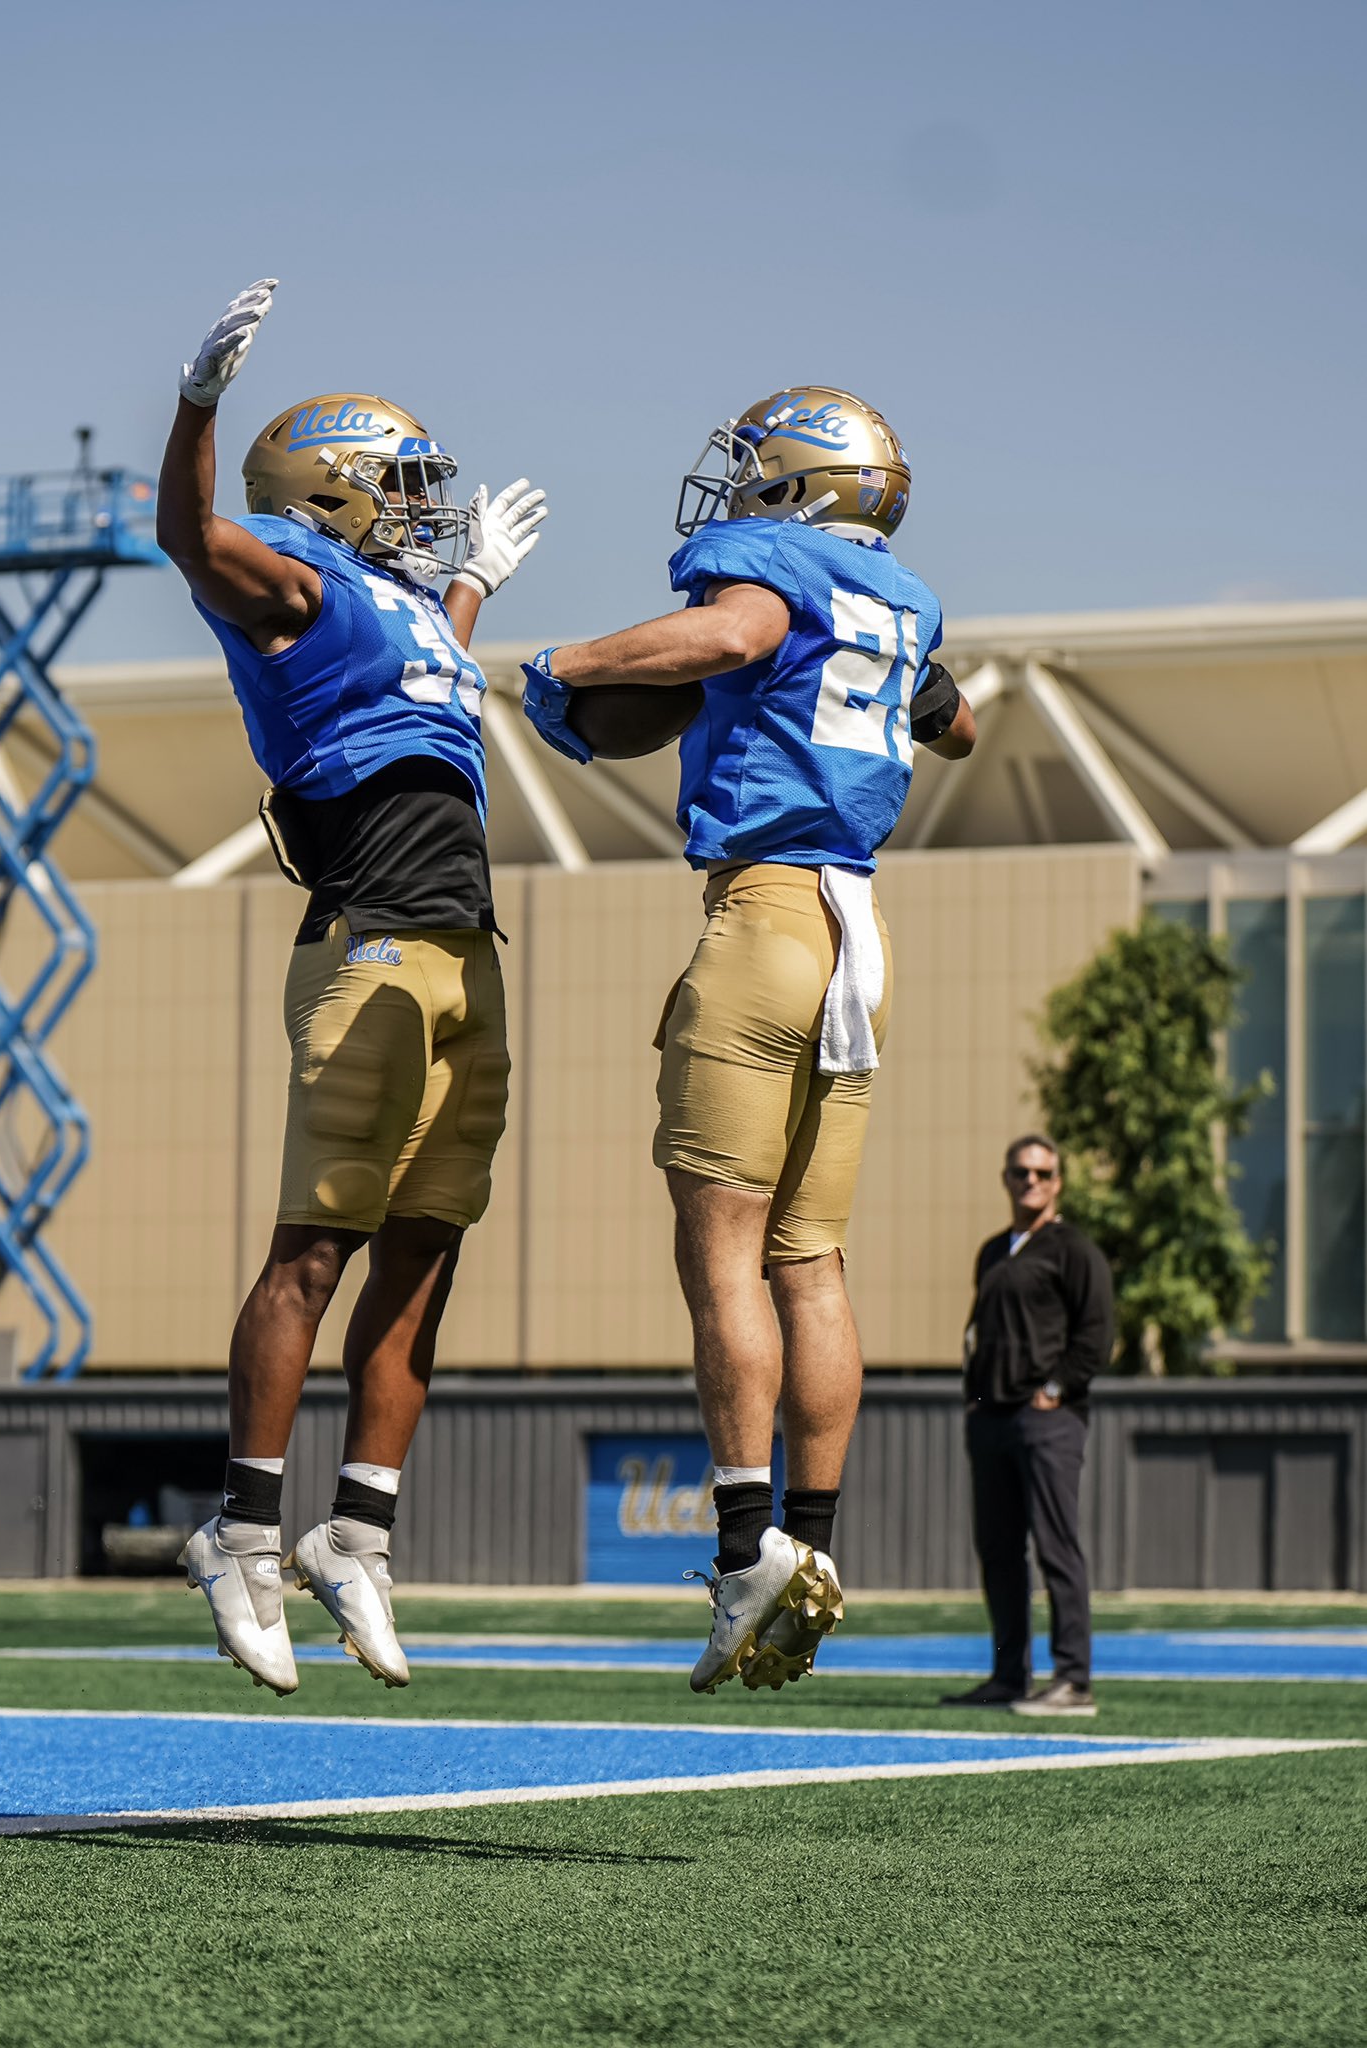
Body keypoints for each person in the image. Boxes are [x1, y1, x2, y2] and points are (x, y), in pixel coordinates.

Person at [522, 388, 975, 1691]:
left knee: (716, 1244)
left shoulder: (772, 571)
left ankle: (738, 1553)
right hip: (859, 931)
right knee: (812, 1259)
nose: (734, 494)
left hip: (765, 912)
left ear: (800, 486)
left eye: (756, 473)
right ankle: (814, 1548)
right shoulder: (902, 601)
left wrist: (571, 665)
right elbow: (959, 724)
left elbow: (730, 636)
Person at [156, 280, 547, 1694]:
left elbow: (422, 649)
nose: (422, 506)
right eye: (397, 486)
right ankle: (243, 1533)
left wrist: (472, 590)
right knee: (312, 1249)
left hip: (464, 943)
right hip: (369, 932)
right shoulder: (290, 578)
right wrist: (195, 403)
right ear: (327, 490)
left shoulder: (398, 602)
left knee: (426, 1247)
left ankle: (355, 1537)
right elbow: (187, 537)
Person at [942, 1135, 1114, 1716]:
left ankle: (1074, 1681)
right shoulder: (994, 1251)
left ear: (1058, 1181)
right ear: (1007, 1178)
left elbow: (1096, 1335)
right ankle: (1009, 1676)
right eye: (1021, 1172)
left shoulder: (1073, 1250)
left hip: (1048, 1421)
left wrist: (1055, 1390)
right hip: (990, 1420)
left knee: (1056, 1546)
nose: (1031, 1182)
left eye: (1042, 1173)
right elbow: (976, 1332)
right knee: (998, 1551)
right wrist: (973, 1400)